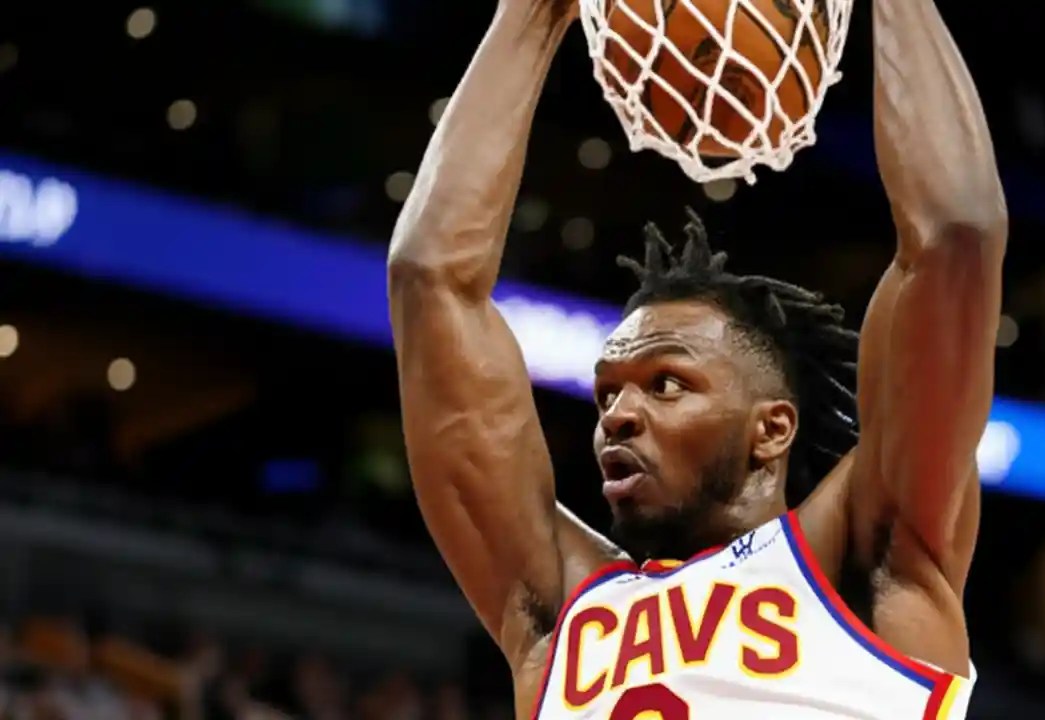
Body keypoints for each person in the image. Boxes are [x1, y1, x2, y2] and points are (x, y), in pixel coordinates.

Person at [387, 0, 1006, 715]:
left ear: (771, 429)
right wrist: (530, 17)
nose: (619, 415)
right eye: (608, 393)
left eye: (666, 384)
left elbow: (955, 239)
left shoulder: (867, 564)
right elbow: (430, 280)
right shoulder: (558, 610)